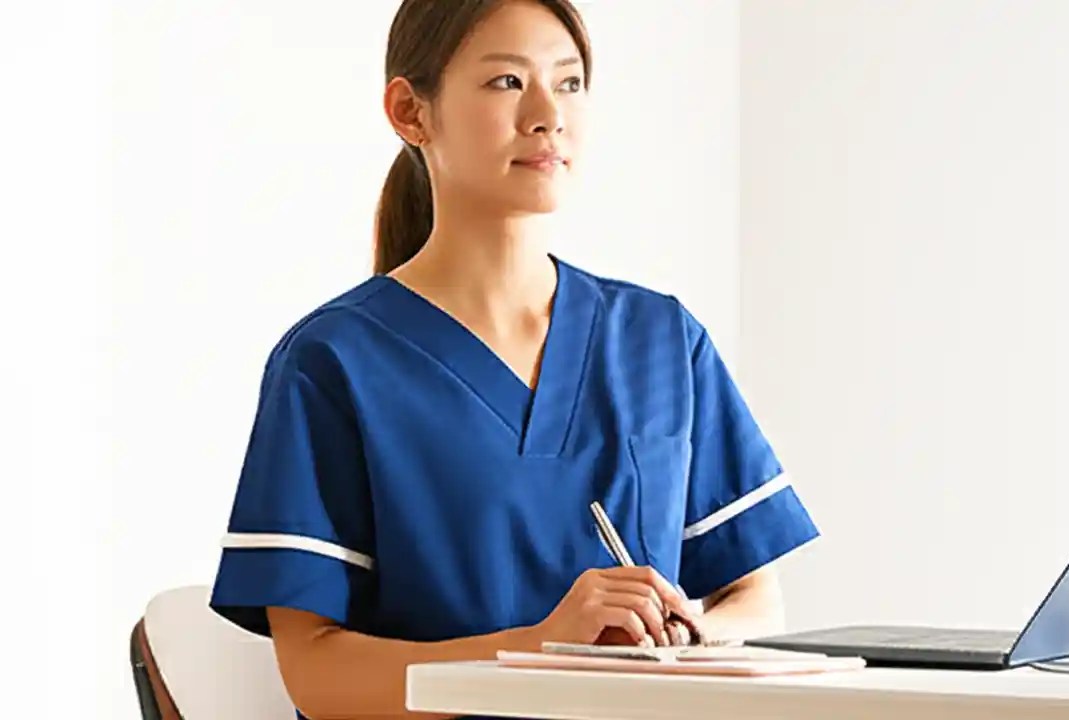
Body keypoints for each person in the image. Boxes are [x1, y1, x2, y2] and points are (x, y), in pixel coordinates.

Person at [208, 0, 820, 717]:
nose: (547, 115)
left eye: (568, 84)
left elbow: (753, 600)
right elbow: (316, 674)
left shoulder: (662, 340)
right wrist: (542, 652)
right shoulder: (332, 363)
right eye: (506, 83)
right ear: (411, 112)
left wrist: (678, 649)